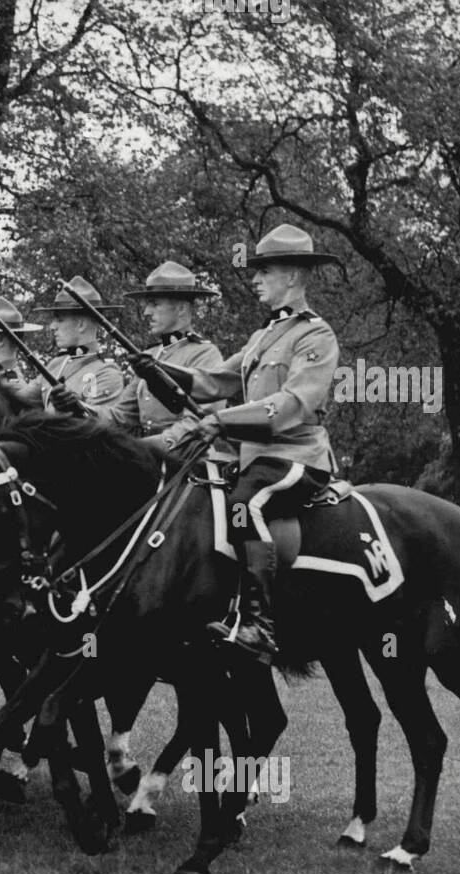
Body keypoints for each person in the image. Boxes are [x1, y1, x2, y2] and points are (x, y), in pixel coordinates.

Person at [129, 224, 342, 660]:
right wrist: (157, 369)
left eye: (265, 271)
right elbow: (212, 381)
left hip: (296, 455)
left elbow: (290, 406)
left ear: (294, 277)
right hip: (255, 456)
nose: (255, 278)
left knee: (245, 504)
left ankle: (259, 624)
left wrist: (220, 422)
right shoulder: (263, 336)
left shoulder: (316, 335)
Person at [100, 261, 225, 439]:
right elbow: (120, 417)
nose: (146, 312)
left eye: (155, 304)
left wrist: (147, 449)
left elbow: (199, 422)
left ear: (181, 308)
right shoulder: (151, 355)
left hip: (186, 459)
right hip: (151, 458)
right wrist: (76, 409)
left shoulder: (205, 354)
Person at [28, 276, 127, 420]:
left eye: (60, 320)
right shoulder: (56, 364)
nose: (53, 327)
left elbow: (98, 428)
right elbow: (20, 401)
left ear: (81, 324)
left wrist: (75, 407)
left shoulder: (105, 372)